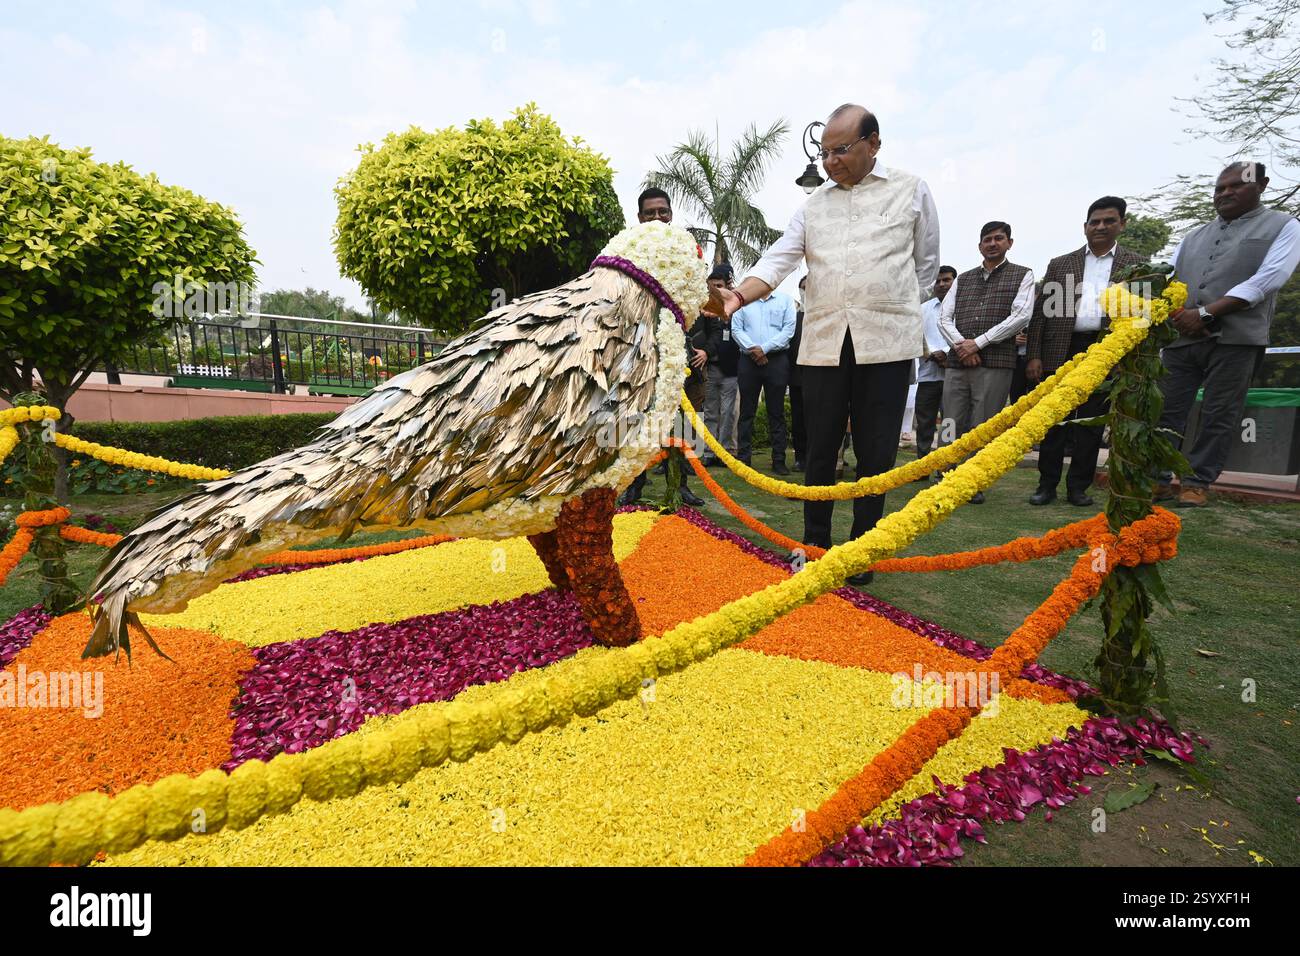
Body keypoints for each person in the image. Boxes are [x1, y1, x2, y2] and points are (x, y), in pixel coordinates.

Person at [711, 104, 940, 585]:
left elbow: (925, 268)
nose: (830, 162)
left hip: (887, 347)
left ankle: (861, 550)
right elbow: (778, 261)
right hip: (824, 345)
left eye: (841, 150)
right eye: (824, 153)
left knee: (876, 456)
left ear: (873, 143)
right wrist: (736, 295)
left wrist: (885, 306)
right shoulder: (814, 205)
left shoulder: (912, 190)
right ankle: (815, 545)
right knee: (819, 449)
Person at [1156, 162, 1300, 507]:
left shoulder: (1284, 226)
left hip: (1236, 339)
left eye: (1236, 186)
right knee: (1166, 411)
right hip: (1182, 337)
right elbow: (1171, 282)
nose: (1225, 193)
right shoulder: (1194, 236)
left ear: (1261, 185)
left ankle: (1196, 482)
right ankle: (1157, 478)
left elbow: (1269, 279)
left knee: (1219, 413)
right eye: (1220, 188)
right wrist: (1180, 314)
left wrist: (1206, 313)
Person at [1026, 196, 1145, 506]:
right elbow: (1042, 315)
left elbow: (1142, 318)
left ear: (1122, 224)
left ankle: (1078, 488)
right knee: (1054, 422)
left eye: (1109, 221)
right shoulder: (1061, 263)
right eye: (1095, 222)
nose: (1101, 227)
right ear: (1085, 227)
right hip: (1062, 350)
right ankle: (1046, 485)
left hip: (1106, 352)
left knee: (1090, 426)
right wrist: (1035, 355)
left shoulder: (1135, 266)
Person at [618, 187, 705, 507]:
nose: (657, 218)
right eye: (650, 213)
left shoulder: (687, 249)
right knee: (632, 423)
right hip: (635, 348)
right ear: (639, 218)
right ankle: (632, 485)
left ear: (671, 214)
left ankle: (681, 485)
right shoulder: (627, 249)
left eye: (663, 212)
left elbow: (699, 298)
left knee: (682, 421)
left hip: (676, 349)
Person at [937, 221, 1035, 504]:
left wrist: (977, 343)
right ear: (980, 245)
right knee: (950, 421)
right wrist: (963, 346)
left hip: (995, 363)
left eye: (998, 239)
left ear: (1009, 243)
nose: (992, 243)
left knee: (983, 424)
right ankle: (945, 474)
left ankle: (972, 482)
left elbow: (1021, 316)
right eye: (987, 239)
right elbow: (944, 317)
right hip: (958, 363)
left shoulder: (1022, 275)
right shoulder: (963, 278)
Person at [733, 287, 796, 472]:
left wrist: (764, 349)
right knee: (746, 411)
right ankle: (744, 459)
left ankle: (779, 460)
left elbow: (788, 330)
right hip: (748, 360)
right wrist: (754, 349)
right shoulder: (742, 301)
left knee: (776, 412)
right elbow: (736, 329)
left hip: (776, 360)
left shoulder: (785, 300)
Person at [915, 266, 955, 480]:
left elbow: (965, 336)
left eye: (946, 280)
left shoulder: (962, 307)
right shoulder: (924, 309)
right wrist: (931, 354)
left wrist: (947, 354)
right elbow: (915, 336)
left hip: (954, 375)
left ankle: (946, 467)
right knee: (925, 423)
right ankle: (922, 467)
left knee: (950, 423)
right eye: (938, 281)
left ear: (954, 282)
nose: (941, 284)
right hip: (928, 375)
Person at [699, 263, 740, 466]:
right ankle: (707, 451)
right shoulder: (705, 306)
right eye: (712, 285)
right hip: (712, 367)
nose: (716, 288)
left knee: (729, 413)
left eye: (719, 285)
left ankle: (724, 452)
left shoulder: (738, 305)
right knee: (710, 411)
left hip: (732, 369)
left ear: (727, 285)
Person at [789, 275, 809, 471]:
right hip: (797, 377)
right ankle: (800, 456)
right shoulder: (795, 318)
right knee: (799, 419)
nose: (806, 291)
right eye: (803, 288)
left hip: (822, 378)